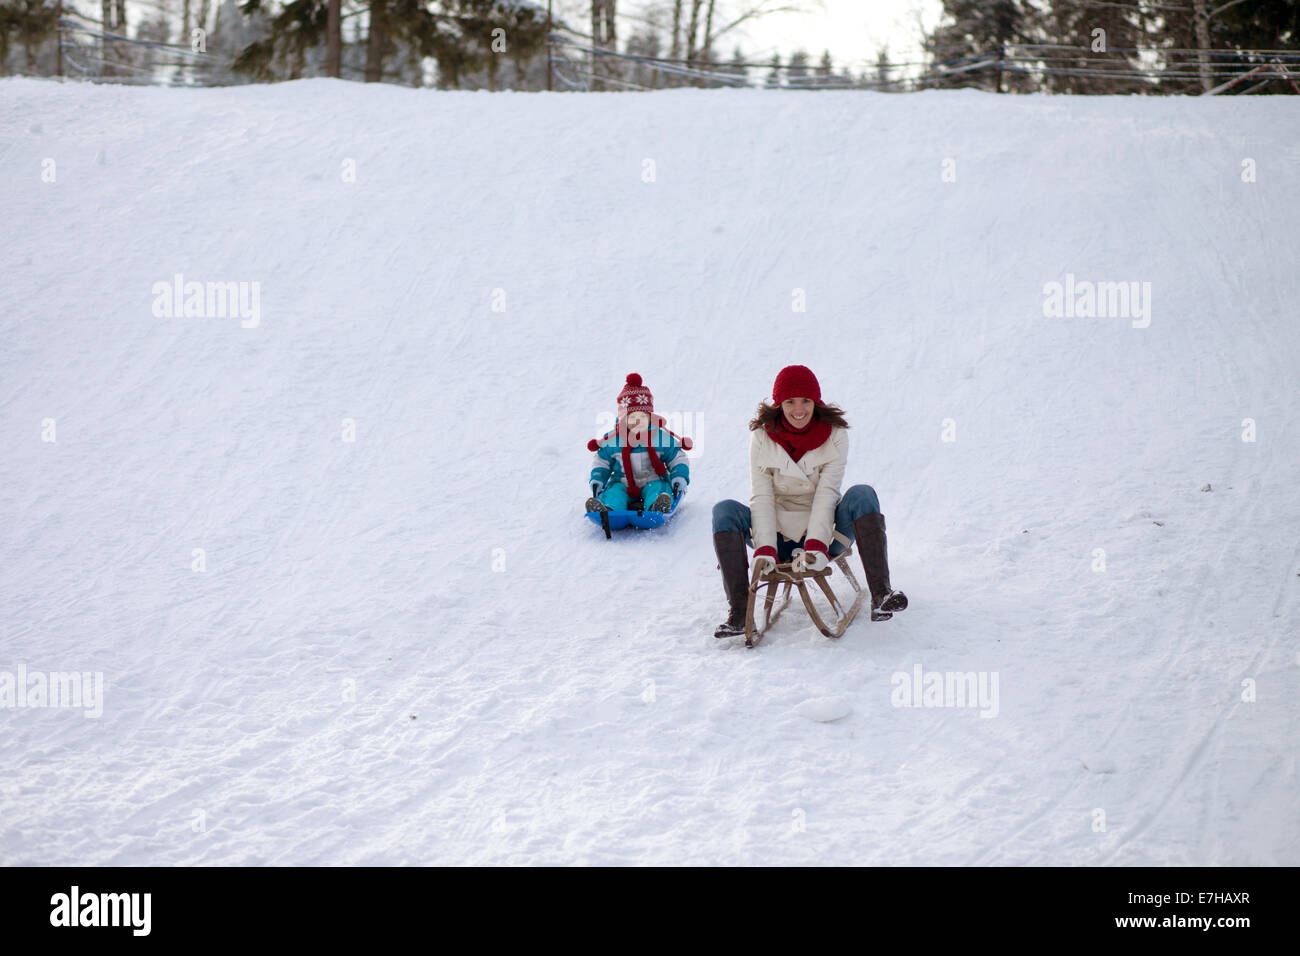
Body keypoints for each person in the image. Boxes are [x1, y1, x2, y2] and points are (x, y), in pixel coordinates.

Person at [711, 365, 907, 637]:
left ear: (816, 402)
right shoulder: (761, 437)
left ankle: (881, 594)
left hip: (826, 535)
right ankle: (739, 613)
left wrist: (816, 547)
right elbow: (763, 496)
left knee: (863, 494)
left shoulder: (835, 435)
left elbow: (827, 493)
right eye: (790, 401)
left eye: (806, 401)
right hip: (776, 535)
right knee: (724, 510)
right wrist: (765, 548)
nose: (799, 409)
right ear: (779, 404)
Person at [587, 373, 691, 514]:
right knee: (615, 493)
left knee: (659, 489)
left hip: (654, 479)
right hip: (623, 482)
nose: (638, 421)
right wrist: (597, 480)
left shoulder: (660, 437)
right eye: (632, 417)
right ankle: (608, 509)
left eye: (642, 416)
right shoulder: (613, 439)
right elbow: (602, 461)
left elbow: (676, 457)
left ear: (650, 417)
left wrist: (679, 476)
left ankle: (657, 505)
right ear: (623, 418)